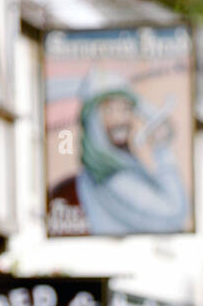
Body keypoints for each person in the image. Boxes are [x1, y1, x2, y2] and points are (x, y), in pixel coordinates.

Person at [48, 70, 188, 235]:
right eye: (109, 110)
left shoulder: (123, 165)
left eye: (126, 109)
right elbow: (174, 214)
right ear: (93, 121)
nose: (120, 119)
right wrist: (162, 150)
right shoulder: (111, 178)